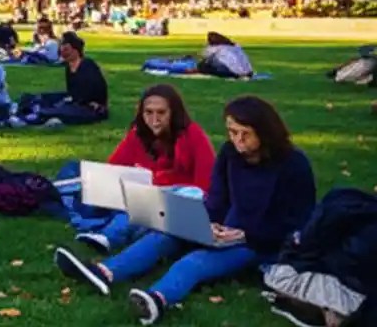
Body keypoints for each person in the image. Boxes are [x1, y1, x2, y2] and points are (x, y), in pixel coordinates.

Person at [54, 95, 316, 324]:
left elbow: (297, 222)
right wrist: (208, 222)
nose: (237, 140)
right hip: (223, 230)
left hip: (259, 243)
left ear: (265, 132)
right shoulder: (230, 153)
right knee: (163, 236)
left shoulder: (293, 165)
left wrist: (244, 235)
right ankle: (105, 272)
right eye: (232, 132)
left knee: (194, 262)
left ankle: (156, 299)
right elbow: (217, 198)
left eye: (244, 134)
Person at [74, 84, 216, 253]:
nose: (154, 119)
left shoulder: (192, 135)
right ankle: (109, 230)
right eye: (148, 112)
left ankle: (108, 236)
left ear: (174, 113)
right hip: (144, 196)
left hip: (181, 202)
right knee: (79, 178)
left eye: (161, 113)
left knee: (139, 209)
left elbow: (206, 184)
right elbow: (114, 167)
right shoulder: (138, 135)